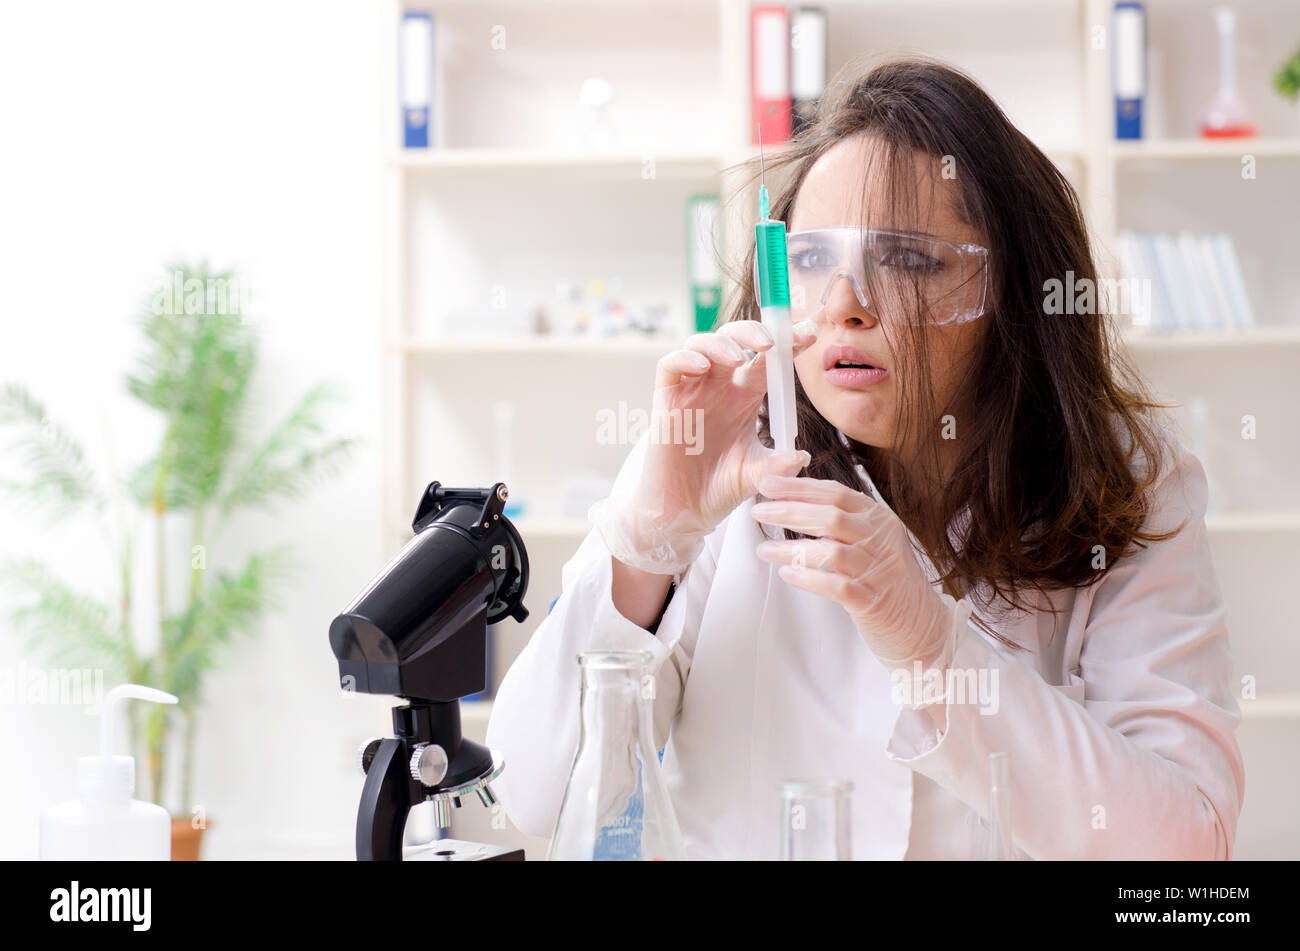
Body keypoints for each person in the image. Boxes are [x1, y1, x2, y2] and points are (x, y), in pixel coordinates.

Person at [486, 59, 1245, 859]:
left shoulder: (1125, 479)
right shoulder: (724, 452)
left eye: (910, 259)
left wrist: (932, 642)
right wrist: (646, 542)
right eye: (811, 259)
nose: (845, 301)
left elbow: (1185, 851)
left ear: (1014, 295)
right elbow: (532, 791)